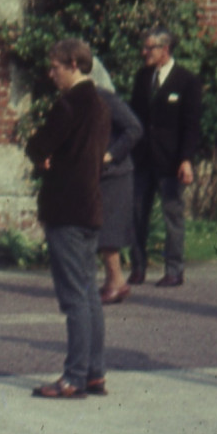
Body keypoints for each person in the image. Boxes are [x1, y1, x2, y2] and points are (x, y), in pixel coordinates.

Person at [25, 37, 111, 399]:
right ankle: (94, 372)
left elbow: (38, 145)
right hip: (90, 206)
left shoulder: (68, 105)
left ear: (74, 65)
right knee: (89, 294)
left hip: (65, 208)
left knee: (74, 297)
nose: (51, 74)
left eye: (56, 67)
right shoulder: (101, 105)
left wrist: (43, 156)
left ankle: (75, 376)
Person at [129, 28, 204, 287]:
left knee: (172, 214)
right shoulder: (142, 77)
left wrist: (186, 159)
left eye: (149, 48)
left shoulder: (186, 80)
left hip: (171, 161)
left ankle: (174, 269)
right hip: (143, 158)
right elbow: (134, 117)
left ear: (165, 49)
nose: (144, 52)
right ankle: (137, 267)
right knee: (136, 212)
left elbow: (191, 125)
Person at [90, 59, 144, 305]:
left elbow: (134, 128)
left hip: (115, 173)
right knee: (103, 229)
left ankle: (117, 283)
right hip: (101, 173)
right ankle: (113, 280)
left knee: (108, 230)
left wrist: (111, 154)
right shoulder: (87, 100)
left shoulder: (105, 98)